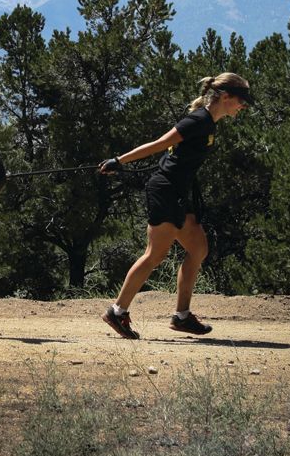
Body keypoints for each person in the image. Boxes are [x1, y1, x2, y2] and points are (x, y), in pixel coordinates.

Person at [98, 72, 254, 340]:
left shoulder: (209, 123)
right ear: (226, 97)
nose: (244, 106)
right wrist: (119, 161)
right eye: (242, 101)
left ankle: (181, 316)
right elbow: (160, 143)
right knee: (155, 254)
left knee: (198, 248)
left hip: (180, 192)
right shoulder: (198, 120)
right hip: (166, 190)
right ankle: (117, 311)